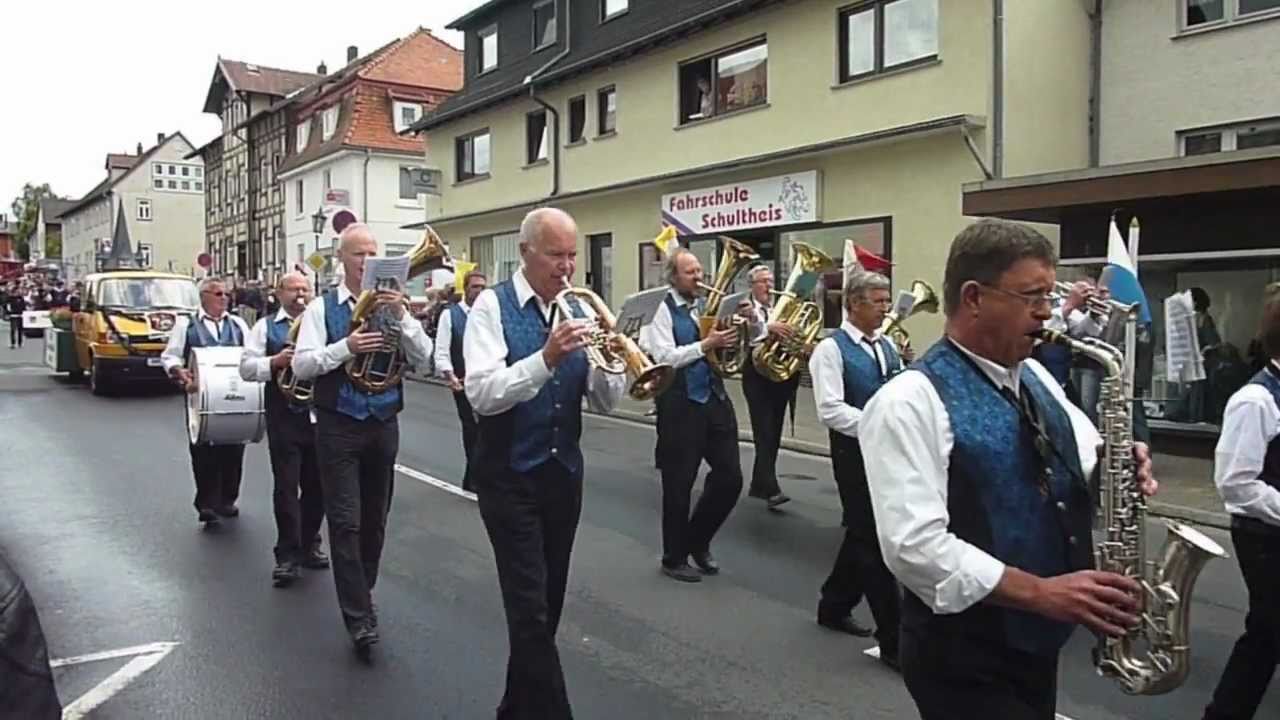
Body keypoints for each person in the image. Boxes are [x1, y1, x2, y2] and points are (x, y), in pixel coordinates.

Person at [859, 218, 1158, 720]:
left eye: (1050, 294)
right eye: (1033, 296)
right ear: (974, 297)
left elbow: (1081, 456)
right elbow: (914, 547)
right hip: (961, 655)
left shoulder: (1036, 373)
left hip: (1033, 642)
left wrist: (1117, 466)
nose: (1048, 313)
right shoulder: (907, 401)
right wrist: (1042, 592)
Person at [464, 207, 625, 718]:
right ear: (526, 251)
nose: (567, 267)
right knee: (530, 612)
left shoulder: (573, 310)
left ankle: (514, 710)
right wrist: (544, 359)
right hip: (509, 477)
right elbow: (483, 394)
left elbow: (603, 402)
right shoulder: (491, 306)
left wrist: (614, 361)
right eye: (556, 254)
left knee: (545, 610)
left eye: (573, 254)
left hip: (562, 478)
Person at [292, 223, 434, 658]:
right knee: (346, 521)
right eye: (359, 255)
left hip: (383, 420)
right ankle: (358, 617)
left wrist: (406, 318)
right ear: (343, 260)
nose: (366, 262)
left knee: (375, 521)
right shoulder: (322, 309)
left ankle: (362, 592)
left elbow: (426, 359)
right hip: (339, 424)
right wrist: (347, 347)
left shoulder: (395, 308)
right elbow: (302, 365)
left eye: (372, 254)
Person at [807, 270, 902, 660]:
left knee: (862, 532)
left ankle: (833, 605)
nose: (885, 308)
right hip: (853, 452)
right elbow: (830, 410)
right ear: (853, 304)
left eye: (885, 300)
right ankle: (895, 640)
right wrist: (876, 424)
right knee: (872, 539)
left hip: (888, 452)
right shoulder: (830, 350)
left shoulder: (888, 344)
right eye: (878, 301)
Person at [639, 247, 743, 583]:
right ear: (673, 277)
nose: (699, 278)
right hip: (680, 403)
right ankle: (674, 557)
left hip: (713, 398)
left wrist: (747, 328)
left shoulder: (705, 306)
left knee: (731, 479)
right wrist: (706, 344)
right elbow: (665, 356)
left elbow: (733, 349)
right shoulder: (661, 309)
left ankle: (697, 540)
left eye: (700, 271)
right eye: (691, 273)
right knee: (678, 484)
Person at [1202, 282, 1280, 720]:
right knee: (1267, 633)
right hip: (1265, 539)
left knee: (1263, 639)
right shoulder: (1256, 400)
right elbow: (1236, 484)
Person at [239, 272, 328, 588]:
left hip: (320, 415)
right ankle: (287, 555)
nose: (301, 294)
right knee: (287, 488)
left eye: (306, 289)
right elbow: (247, 368)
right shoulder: (264, 327)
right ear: (279, 293)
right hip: (284, 416)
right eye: (294, 289)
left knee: (318, 487)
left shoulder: (320, 321)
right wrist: (275, 361)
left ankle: (309, 543)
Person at [161, 278, 254, 525]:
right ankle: (206, 503)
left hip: (235, 395)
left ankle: (227, 499)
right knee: (203, 451)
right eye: (218, 294)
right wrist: (179, 372)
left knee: (234, 449)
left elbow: (252, 354)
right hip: (201, 398)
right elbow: (170, 356)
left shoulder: (238, 324)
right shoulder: (186, 324)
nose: (224, 298)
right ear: (204, 296)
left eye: (226, 295)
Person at [741, 265, 800, 510]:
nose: (768, 285)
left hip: (778, 376)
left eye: (771, 280)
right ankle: (771, 487)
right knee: (763, 430)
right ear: (752, 286)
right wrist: (768, 328)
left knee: (774, 432)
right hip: (755, 374)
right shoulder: (744, 307)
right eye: (763, 281)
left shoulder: (776, 309)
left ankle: (759, 483)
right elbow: (746, 335)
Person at [435, 270, 487, 493]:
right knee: (472, 428)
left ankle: (474, 476)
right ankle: (476, 479)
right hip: (463, 382)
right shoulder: (451, 315)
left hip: (486, 380)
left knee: (488, 429)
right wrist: (450, 376)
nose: (480, 291)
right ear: (465, 289)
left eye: (483, 287)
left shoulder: (489, 314)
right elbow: (442, 351)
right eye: (475, 287)